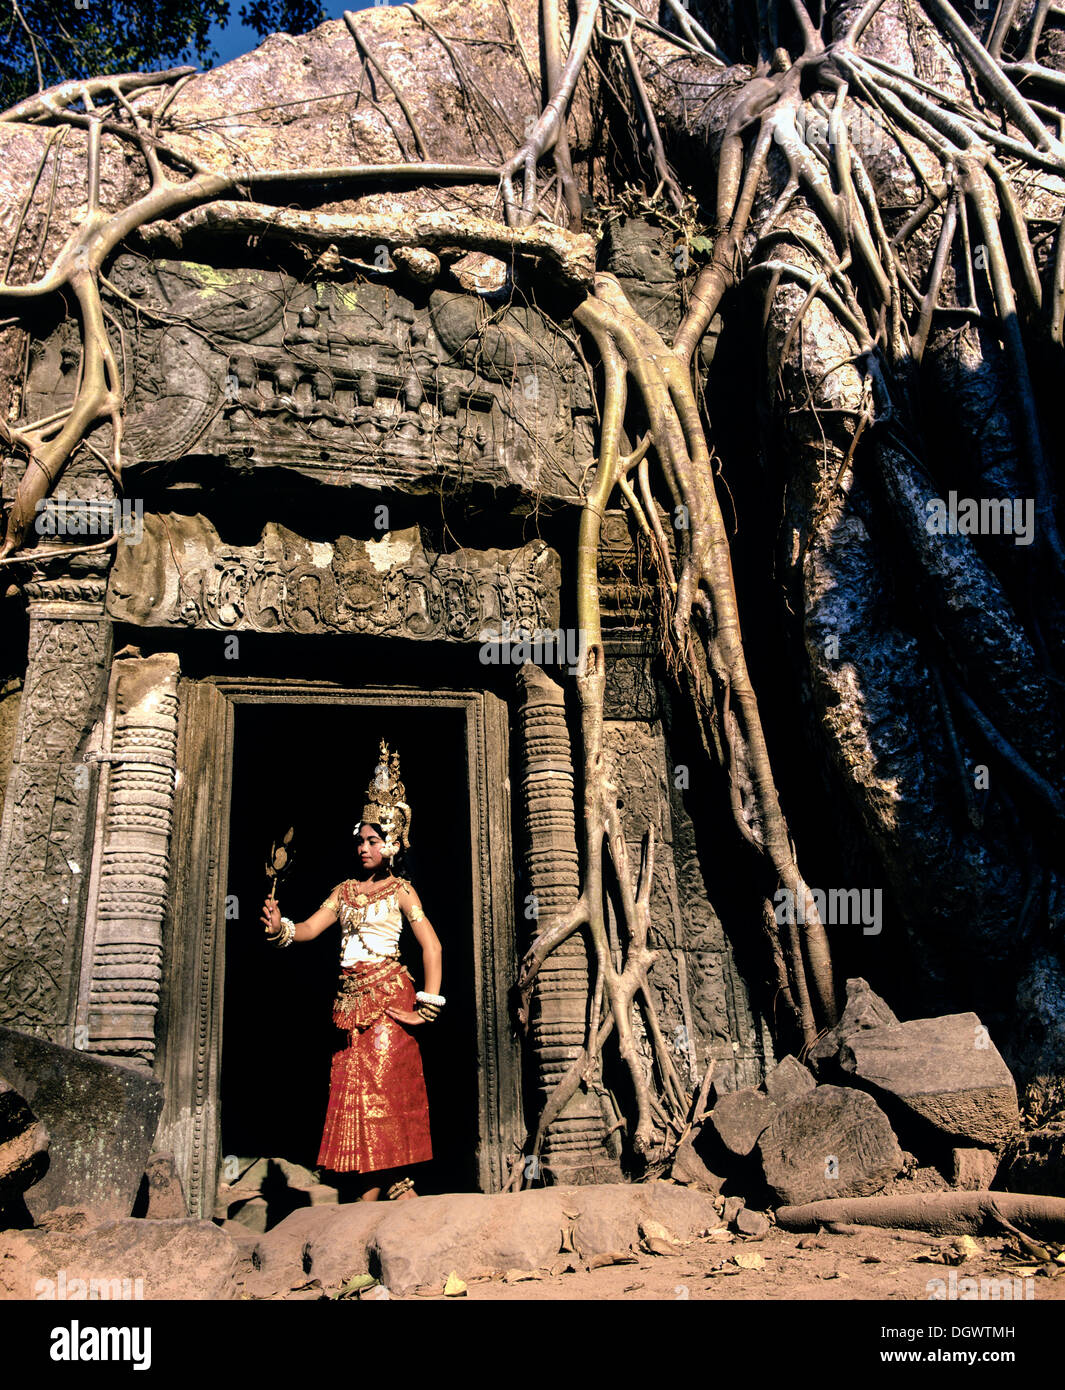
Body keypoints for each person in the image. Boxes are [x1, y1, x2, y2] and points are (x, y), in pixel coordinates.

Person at [260, 740, 443, 1201]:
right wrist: (279, 925)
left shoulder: (402, 891)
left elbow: (432, 947)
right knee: (355, 1094)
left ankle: (389, 1186)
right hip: (349, 1002)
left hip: (389, 999)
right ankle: (376, 1187)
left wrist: (428, 1006)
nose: (363, 847)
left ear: (393, 844)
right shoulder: (342, 891)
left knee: (384, 1091)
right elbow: (307, 930)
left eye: (373, 840)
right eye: (360, 840)